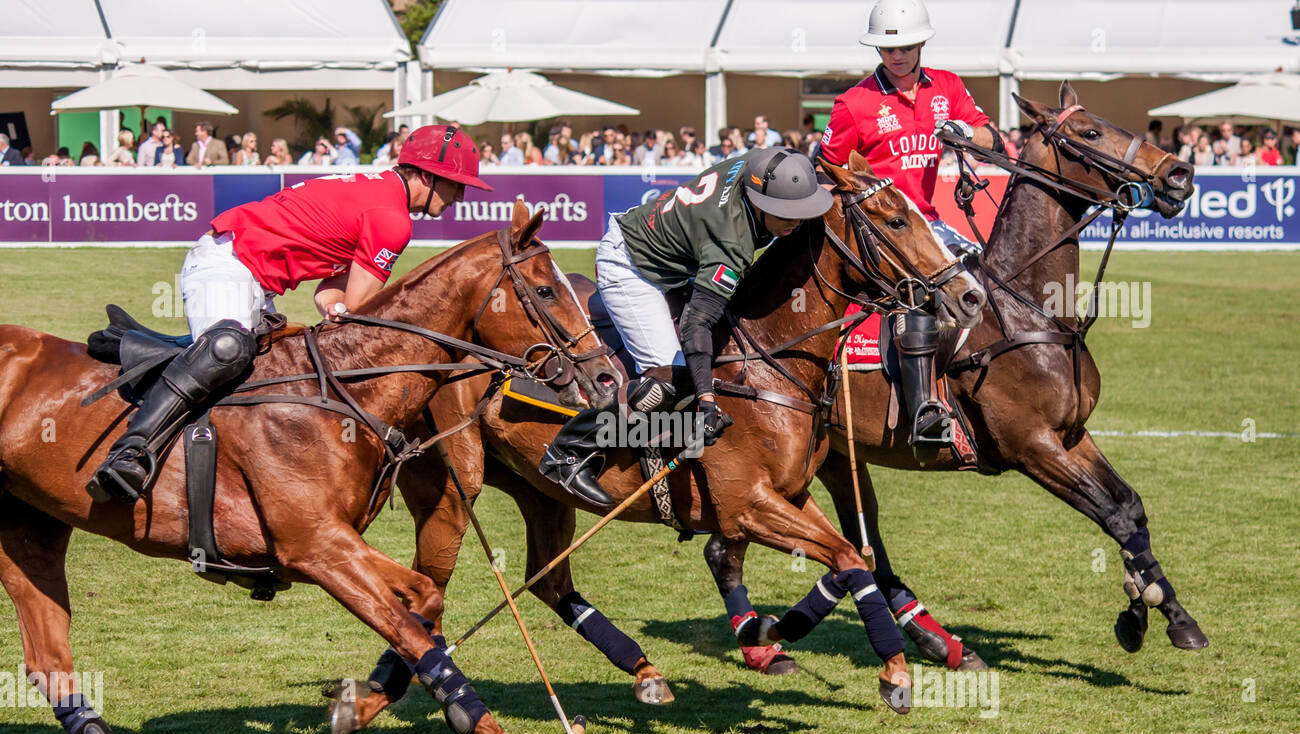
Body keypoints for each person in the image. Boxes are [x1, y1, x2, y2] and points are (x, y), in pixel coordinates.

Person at [88, 125, 492, 502]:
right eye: (457, 185)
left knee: (265, 376)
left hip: (251, 277)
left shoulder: (381, 196)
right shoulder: (391, 219)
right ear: (426, 175)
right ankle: (130, 452)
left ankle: (138, 347)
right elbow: (362, 310)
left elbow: (330, 296)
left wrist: (338, 309)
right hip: (231, 264)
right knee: (226, 352)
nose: (461, 196)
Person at [538, 147, 833, 508]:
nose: (795, 222)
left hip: (678, 257)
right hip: (632, 265)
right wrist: (707, 401)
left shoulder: (762, 165)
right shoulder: (732, 242)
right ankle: (568, 452)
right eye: (785, 214)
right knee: (667, 381)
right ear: (759, 201)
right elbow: (697, 323)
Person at [818, 0, 1004, 461]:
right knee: (917, 294)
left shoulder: (948, 87)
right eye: (886, 47)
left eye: (902, 45)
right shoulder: (854, 104)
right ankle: (925, 411)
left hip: (929, 223)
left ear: (921, 42)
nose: (895, 55)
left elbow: (992, 140)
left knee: (992, 280)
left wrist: (963, 131)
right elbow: (826, 169)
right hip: (880, 234)